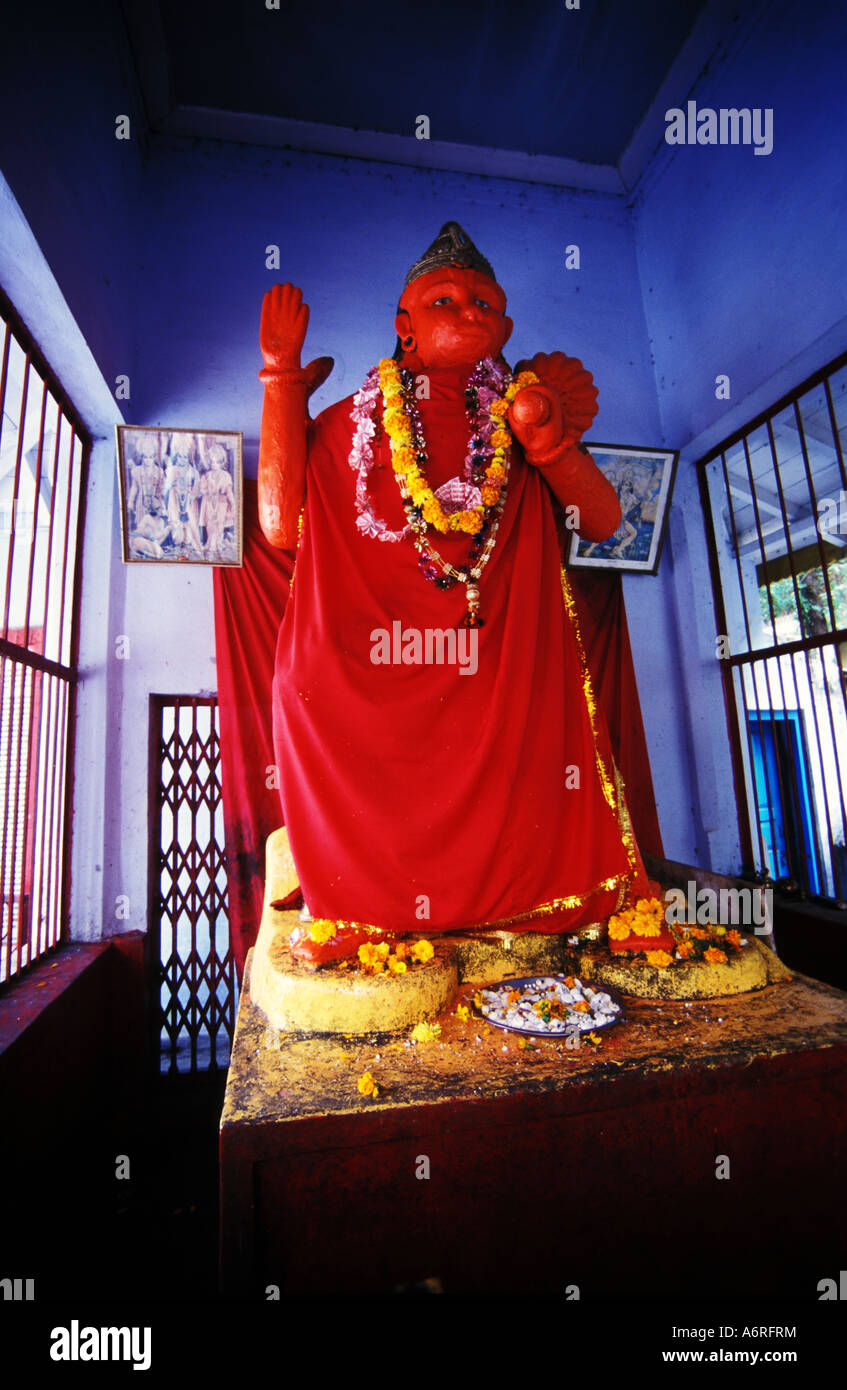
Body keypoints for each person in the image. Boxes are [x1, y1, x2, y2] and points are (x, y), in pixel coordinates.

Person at [257, 222, 650, 964]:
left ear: (505, 329)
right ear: (404, 327)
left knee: (544, 711)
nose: (470, 313)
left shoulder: (521, 415)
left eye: (486, 305)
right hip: (369, 663)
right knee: (304, 689)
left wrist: (548, 444)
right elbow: (279, 526)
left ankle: (535, 896)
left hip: (498, 660)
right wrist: (279, 379)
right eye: (445, 300)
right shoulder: (353, 425)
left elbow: (601, 521)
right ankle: (360, 903)